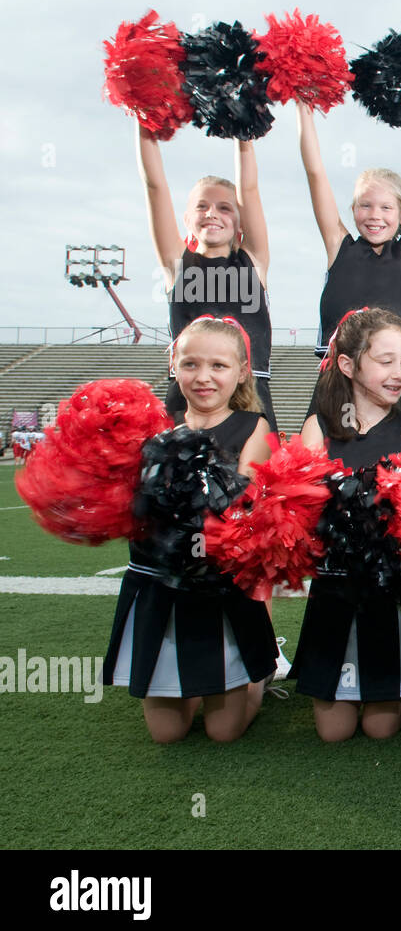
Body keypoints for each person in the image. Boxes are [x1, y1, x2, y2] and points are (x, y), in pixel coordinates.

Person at [105, 316, 276, 742]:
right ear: (173, 364)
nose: (204, 378)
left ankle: (258, 678)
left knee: (224, 732)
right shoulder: (147, 426)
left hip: (218, 589)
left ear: (241, 372)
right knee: (167, 733)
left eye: (218, 366)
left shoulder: (253, 426)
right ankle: (193, 684)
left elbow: (243, 507)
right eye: (191, 364)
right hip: (158, 586)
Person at [290, 309, 401, 741]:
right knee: (332, 733)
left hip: (388, 588)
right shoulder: (317, 426)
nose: (399, 373)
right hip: (335, 588)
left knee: (379, 730)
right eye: (385, 360)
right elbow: (309, 507)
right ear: (348, 364)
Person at [297, 102, 401, 417]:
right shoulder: (338, 245)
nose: (374, 216)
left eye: (386, 208)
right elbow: (314, 173)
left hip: (391, 389)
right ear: (353, 210)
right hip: (335, 386)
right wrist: (305, 109)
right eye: (365, 205)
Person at [137, 126, 277, 431]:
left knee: (255, 479)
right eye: (202, 206)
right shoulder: (177, 264)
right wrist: (144, 120)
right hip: (188, 398)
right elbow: (155, 187)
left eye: (225, 208)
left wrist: (246, 129)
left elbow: (249, 189)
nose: (212, 213)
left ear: (240, 223)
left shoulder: (252, 261)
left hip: (250, 392)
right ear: (187, 219)